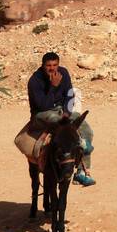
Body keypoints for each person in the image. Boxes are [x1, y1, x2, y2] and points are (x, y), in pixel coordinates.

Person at [27, 52, 96, 186]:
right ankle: (81, 144)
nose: (52, 68)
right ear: (43, 66)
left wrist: (67, 112)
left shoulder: (63, 73)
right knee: (54, 118)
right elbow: (43, 106)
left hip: (61, 111)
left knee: (86, 129)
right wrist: (53, 86)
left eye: (55, 65)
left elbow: (70, 95)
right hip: (41, 114)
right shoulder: (35, 80)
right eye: (48, 65)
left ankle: (82, 172)